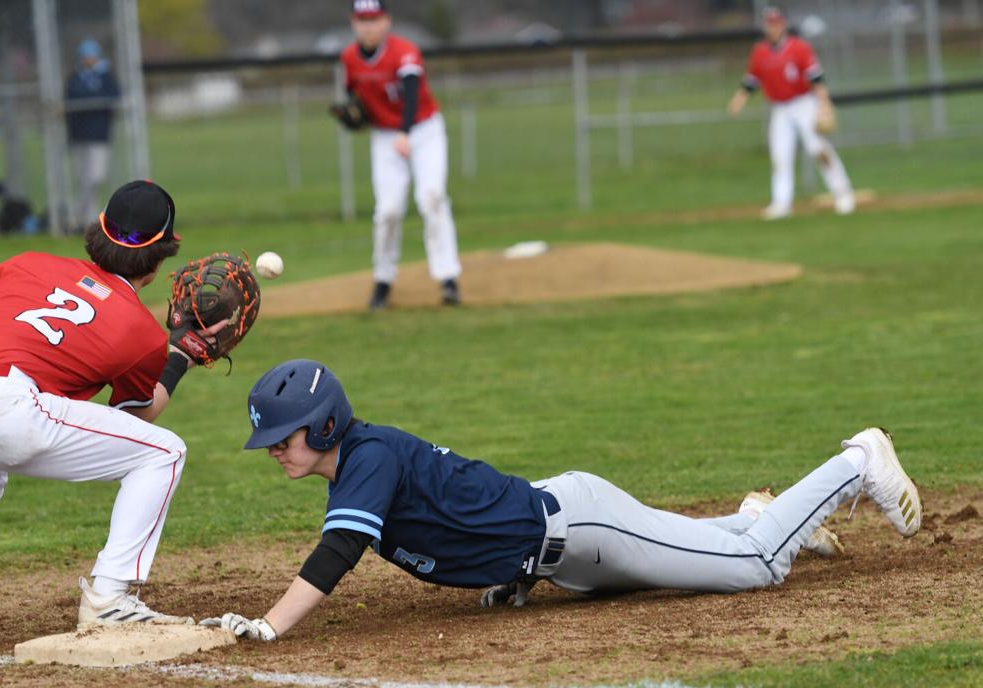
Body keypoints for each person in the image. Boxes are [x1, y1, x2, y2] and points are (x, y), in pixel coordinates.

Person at [201, 359, 920, 641]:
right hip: (564, 549)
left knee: (756, 566)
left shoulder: (367, 459)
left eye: (284, 436)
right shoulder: (359, 462)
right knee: (704, 545)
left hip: (583, 529)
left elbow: (339, 550)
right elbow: (460, 511)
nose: (274, 449)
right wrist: (510, 573)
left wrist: (271, 625)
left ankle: (857, 460)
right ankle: (759, 514)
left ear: (325, 424)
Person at [0, 180, 211, 648]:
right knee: (163, 453)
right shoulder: (141, 332)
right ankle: (109, 598)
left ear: (97, 231)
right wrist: (181, 357)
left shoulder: (30, 263)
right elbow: (135, 415)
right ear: (159, 261)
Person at [339, 0, 462, 310]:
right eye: (363, 20)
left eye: (374, 19)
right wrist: (355, 115)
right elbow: (353, 95)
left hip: (423, 130)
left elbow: (411, 91)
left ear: (386, 21)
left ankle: (448, 278)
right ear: (354, 23)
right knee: (388, 211)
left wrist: (405, 132)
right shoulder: (350, 57)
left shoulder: (404, 51)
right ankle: (383, 280)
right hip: (384, 136)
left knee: (432, 197)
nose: (368, 26)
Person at [727, 5, 855, 220]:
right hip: (780, 108)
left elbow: (816, 79)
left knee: (818, 149)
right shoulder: (760, 51)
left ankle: (843, 193)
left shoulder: (799, 48)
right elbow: (752, 80)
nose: (773, 27)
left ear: (784, 24)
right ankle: (782, 203)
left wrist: (823, 105)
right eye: (770, 24)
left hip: (804, 103)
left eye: (776, 23)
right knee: (780, 155)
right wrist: (739, 99)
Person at [65, 39, 119, 232]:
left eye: (92, 56)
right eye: (86, 56)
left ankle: (77, 213)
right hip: (80, 135)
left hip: (99, 135)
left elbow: (112, 96)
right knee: (83, 178)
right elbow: (72, 99)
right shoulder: (76, 78)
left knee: (96, 177)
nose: (89, 60)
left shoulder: (105, 77)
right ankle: (88, 221)